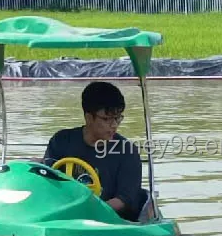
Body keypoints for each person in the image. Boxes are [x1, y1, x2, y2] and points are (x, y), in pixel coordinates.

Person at [42, 81, 146, 221]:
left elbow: (125, 199)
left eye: (118, 118)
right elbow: (48, 181)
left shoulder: (127, 151)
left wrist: (88, 212)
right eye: (107, 119)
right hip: (65, 217)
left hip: (111, 222)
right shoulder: (61, 141)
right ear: (89, 117)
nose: (114, 125)